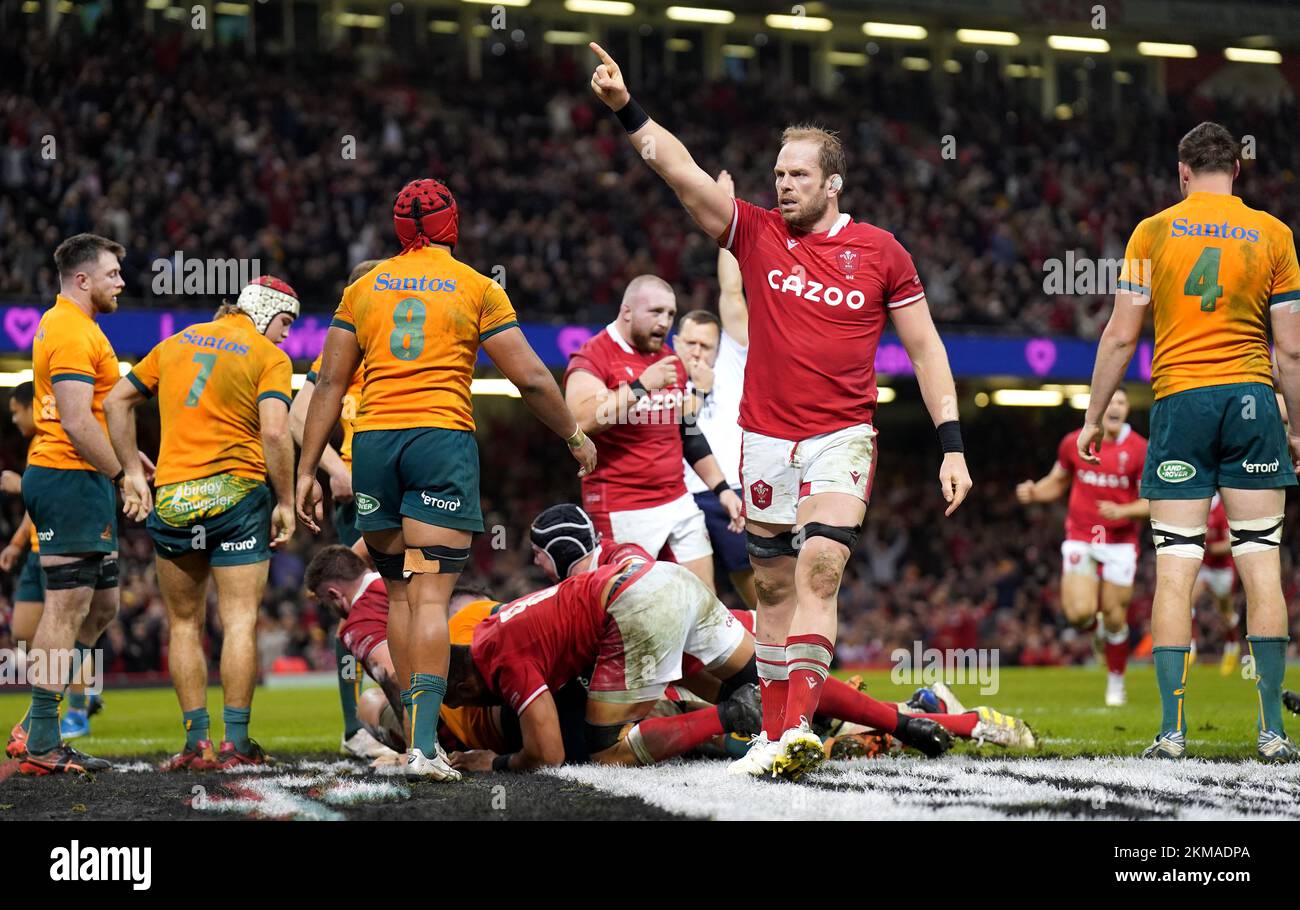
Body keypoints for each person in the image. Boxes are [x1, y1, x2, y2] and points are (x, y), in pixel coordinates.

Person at [587, 45, 972, 780]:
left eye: (798, 174)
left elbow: (926, 351)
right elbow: (679, 170)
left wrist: (951, 444)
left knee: (820, 570)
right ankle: (774, 732)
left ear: (832, 182)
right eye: (778, 175)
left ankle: (796, 726)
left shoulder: (882, 252)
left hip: (842, 437)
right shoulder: (756, 233)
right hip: (763, 441)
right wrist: (624, 108)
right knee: (770, 590)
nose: (784, 185)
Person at [295, 178, 597, 780]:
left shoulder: (362, 288)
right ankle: (426, 749)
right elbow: (533, 378)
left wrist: (306, 470)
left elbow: (327, 384)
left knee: (400, 596)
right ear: (453, 223)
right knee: (431, 593)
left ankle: (416, 740)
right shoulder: (477, 287)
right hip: (439, 440)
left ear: (398, 230)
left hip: (375, 446)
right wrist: (573, 434)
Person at [1082, 122, 1300, 761]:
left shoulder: (1151, 232)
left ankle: (1171, 734)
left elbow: (1121, 336)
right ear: (1238, 168)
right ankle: (1273, 732)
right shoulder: (1274, 234)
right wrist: (1296, 427)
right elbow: (1289, 346)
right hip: (1252, 398)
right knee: (1260, 565)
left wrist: (1095, 416)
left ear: (1182, 171)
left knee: (1175, 570)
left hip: (1180, 402)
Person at [105, 275, 299, 770]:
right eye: (284, 321)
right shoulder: (267, 355)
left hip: (174, 500)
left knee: (184, 624)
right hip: (237, 497)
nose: (285, 335)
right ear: (261, 311)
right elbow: (275, 432)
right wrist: (285, 499)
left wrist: (131, 471)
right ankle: (235, 744)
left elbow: (114, 401)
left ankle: (196, 745)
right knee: (239, 621)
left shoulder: (173, 343)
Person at [10, 234, 140, 775]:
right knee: (65, 608)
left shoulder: (82, 328)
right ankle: (41, 741)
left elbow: (102, 413)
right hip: (68, 476)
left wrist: (136, 460)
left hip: (83, 479)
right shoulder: (67, 328)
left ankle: (35, 724)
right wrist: (122, 473)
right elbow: (75, 418)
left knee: (103, 605)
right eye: (112, 273)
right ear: (82, 279)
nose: (122, 282)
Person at [564, 274, 740, 592]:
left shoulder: (667, 358)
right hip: (622, 507)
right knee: (633, 610)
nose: (665, 322)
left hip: (678, 501)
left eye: (670, 314)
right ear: (627, 311)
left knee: (703, 604)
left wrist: (722, 489)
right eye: (656, 312)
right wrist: (641, 385)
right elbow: (580, 419)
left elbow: (686, 430)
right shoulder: (594, 355)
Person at [289, 258, 391, 760]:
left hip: (408, 493)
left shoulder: (404, 349)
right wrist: (334, 468)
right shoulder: (340, 352)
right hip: (362, 499)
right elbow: (297, 413)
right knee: (362, 610)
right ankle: (357, 727)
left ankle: (401, 719)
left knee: (414, 607)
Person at [1016, 388, 1147, 706]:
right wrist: (1034, 492)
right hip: (1081, 535)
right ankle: (1095, 627)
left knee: (1117, 617)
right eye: (1110, 402)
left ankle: (1116, 683)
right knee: (1077, 615)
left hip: (1119, 541)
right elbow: (1057, 482)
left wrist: (1124, 511)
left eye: (1121, 402)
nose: (1115, 407)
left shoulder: (1141, 449)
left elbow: (1152, 504)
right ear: (1098, 407)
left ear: (1127, 409)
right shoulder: (1073, 442)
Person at [677, 175, 755, 607]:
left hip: (734, 491)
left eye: (707, 343)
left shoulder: (731, 359)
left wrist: (727, 216)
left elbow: (731, 289)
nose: (699, 351)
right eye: (690, 343)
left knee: (759, 592)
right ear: (675, 343)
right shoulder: (661, 374)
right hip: (679, 499)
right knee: (693, 601)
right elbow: (676, 427)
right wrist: (697, 393)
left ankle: (789, 668)